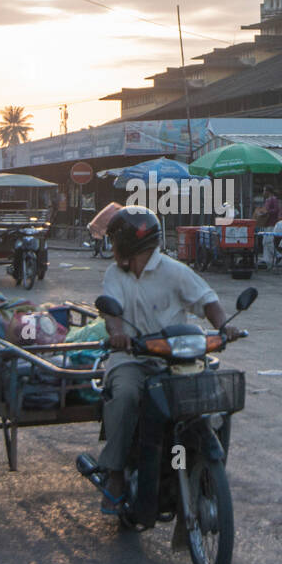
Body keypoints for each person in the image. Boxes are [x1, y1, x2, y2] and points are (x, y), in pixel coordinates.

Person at [96, 206, 241, 513]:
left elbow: (207, 300)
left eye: (115, 241)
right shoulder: (114, 274)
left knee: (210, 396)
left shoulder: (174, 271)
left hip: (175, 361)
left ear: (126, 243)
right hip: (131, 359)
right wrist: (118, 333)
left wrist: (224, 327)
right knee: (123, 395)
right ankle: (116, 472)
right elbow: (112, 312)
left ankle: (200, 461)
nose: (112, 248)